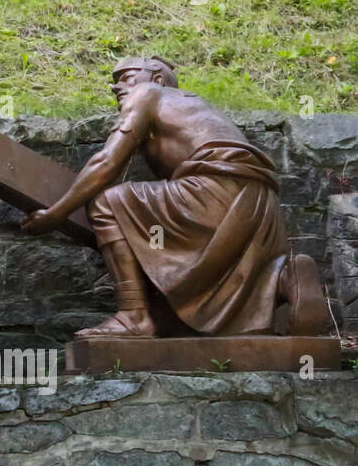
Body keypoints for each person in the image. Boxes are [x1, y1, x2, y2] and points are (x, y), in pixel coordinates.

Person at [22, 55, 329, 337]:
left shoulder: (148, 94)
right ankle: (282, 280)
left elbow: (107, 162)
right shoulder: (196, 107)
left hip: (212, 190)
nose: (117, 86)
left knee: (109, 204)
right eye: (116, 80)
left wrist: (57, 213)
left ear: (156, 78)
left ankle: (133, 316)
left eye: (128, 77)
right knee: (215, 274)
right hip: (259, 200)